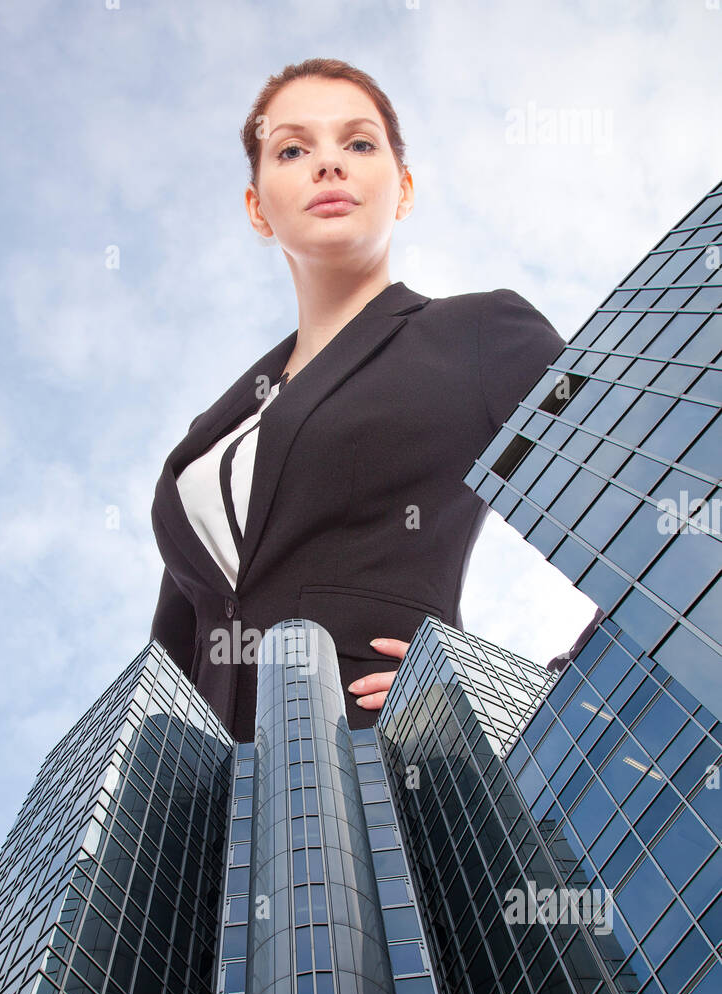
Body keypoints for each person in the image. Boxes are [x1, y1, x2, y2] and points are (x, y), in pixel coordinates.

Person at [150, 57, 566, 742]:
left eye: (359, 143)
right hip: (216, 814)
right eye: (292, 149)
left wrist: (520, 695)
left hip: (389, 771)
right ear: (257, 207)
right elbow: (174, 659)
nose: (329, 165)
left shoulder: (480, 334)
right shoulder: (211, 435)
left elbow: (646, 502)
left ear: (401, 190)